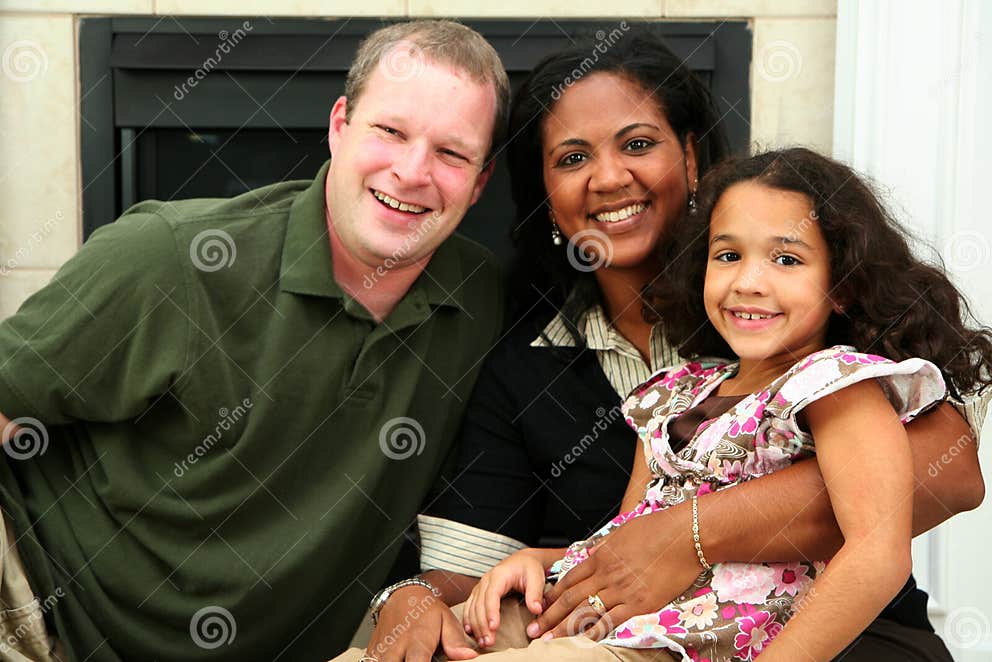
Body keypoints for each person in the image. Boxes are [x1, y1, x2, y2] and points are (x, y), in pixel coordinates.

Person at [348, 31, 986, 662]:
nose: (608, 177)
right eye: (572, 158)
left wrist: (687, 535)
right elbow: (497, 567)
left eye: (638, 144)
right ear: (544, 192)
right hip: (629, 631)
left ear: (690, 156)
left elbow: (949, 474)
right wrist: (412, 597)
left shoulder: (798, 326)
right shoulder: (535, 361)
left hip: (845, 638)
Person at [0, 20, 508, 661]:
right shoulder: (170, 257)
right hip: (39, 605)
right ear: (340, 126)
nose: (411, 171)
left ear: (480, 181)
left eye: (452, 154)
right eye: (390, 131)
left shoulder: (484, 301)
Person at [460, 147, 992, 661]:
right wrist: (538, 561)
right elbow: (628, 541)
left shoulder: (835, 384)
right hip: (612, 624)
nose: (748, 282)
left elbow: (878, 555)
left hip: (691, 646)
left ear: (842, 289)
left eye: (787, 259)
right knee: (454, 637)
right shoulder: (673, 392)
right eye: (729, 256)